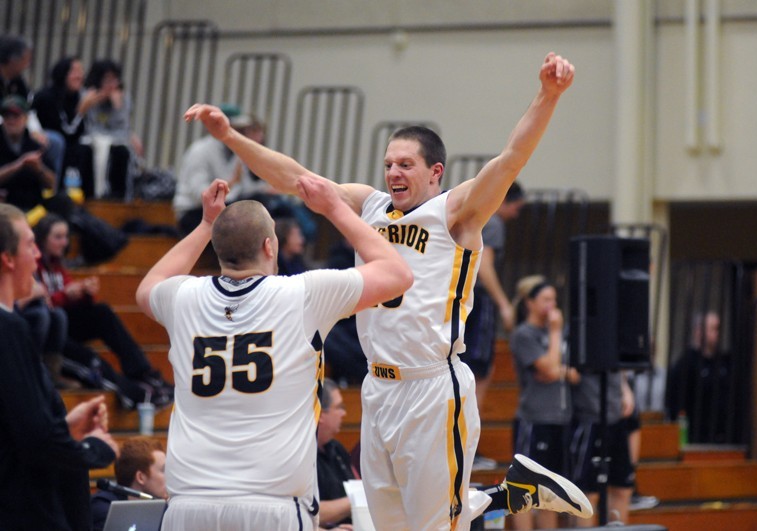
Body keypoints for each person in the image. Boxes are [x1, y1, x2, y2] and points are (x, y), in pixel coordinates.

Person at [185, 51, 592, 530]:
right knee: (392, 525)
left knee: (438, 526)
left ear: (436, 172)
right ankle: (508, 493)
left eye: (406, 164)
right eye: (388, 164)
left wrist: (548, 95)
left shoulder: (456, 212)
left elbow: (509, 162)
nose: (394, 173)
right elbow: (295, 179)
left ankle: (504, 495)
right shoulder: (368, 205)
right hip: (376, 387)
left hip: (432, 387)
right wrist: (229, 136)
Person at [134, 175, 413, 529]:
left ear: (217, 249)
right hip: (272, 504)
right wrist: (334, 208)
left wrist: (206, 224)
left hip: (188, 504)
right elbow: (398, 273)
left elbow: (148, 286)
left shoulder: (182, 297)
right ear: (270, 246)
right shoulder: (303, 294)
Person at [0, 202, 118, 530]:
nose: (37, 255)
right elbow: (36, 442)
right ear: (7, 259)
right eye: (29, 244)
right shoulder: (8, 328)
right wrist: (93, 449)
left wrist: (64, 426)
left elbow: (17, 429)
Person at [34, 213, 173, 407]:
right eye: (58, 237)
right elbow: (41, 306)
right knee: (89, 357)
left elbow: (66, 298)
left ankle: (143, 372)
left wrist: (84, 292)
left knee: (102, 312)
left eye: (66, 237)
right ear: (41, 239)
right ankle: (131, 392)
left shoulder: (57, 265)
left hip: (64, 324)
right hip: (48, 335)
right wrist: (67, 294)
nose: (64, 243)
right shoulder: (34, 265)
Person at [462, 180, 525, 470]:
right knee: (478, 373)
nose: (516, 214)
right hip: (479, 301)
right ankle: (466, 448)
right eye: (516, 207)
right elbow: (484, 266)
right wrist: (503, 303)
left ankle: (460, 445)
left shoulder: (470, 216)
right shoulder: (494, 223)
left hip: (461, 301)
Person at [509, 276, 579, 529]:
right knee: (526, 488)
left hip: (561, 419)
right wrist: (556, 332)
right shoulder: (524, 334)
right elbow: (549, 370)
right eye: (546, 299)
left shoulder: (560, 333)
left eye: (554, 300)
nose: (552, 305)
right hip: (534, 419)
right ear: (530, 302)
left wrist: (557, 370)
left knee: (552, 492)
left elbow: (571, 372)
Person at [570, 367, 636, 526]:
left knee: (622, 488)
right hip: (589, 416)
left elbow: (616, 360)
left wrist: (624, 387)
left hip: (616, 415)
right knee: (586, 494)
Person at [667, 310, 743, 444]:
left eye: (718, 328)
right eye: (713, 328)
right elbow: (675, 404)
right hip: (696, 438)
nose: (718, 333)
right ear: (698, 331)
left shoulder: (725, 361)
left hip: (726, 438)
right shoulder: (685, 364)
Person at [0, 35, 66, 180]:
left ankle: (46, 187)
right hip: (5, 127)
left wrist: (36, 131)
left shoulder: (18, 82)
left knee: (55, 141)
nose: (27, 65)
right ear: (12, 59)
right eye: (25, 59)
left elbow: (27, 110)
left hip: (20, 127)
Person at [79, 59, 142, 198]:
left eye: (115, 80)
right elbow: (85, 126)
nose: (112, 85)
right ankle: (93, 194)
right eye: (107, 80)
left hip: (116, 139)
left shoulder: (123, 98)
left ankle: (119, 196)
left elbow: (124, 128)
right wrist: (86, 106)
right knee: (89, 151)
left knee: (123, 152)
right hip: (93, 139)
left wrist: (118, 108)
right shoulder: (88, 95)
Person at [32, 56, 94, 194]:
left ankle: (89, 197)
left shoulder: (79, 96)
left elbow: (84, 131)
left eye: (81, 71)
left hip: (72, 145)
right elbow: (67, 131)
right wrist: (81, 111)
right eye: (74, 71)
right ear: (63, 73)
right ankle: (57, 192)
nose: (80, 76)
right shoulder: (47, 96)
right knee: (61, 144)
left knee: (88, 149)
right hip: (49, 144)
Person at [91, 437, 168, 531]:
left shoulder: (164, 507)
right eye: (163, 470)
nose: (170, 476)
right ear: (141, 477)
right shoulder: (104, 507)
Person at [317, 378, 359, 529]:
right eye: (339, 407)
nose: (344, 413)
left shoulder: (337, 449)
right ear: (320, 414)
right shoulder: (302, 455)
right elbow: (304, 510)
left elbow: (357, 485)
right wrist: (357, 499)